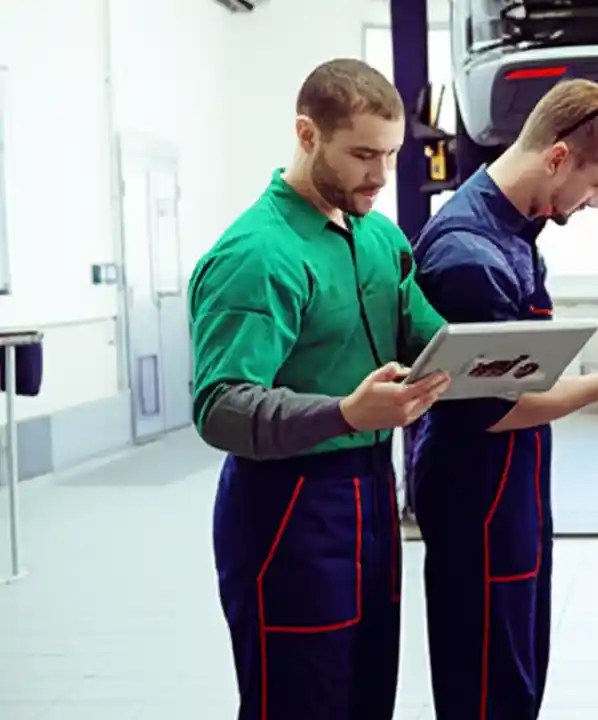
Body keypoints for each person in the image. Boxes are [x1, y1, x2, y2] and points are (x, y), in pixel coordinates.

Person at [189, 58, 452, 720]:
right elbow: (220, 406)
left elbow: (426, 336)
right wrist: (345, 412)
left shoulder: (378, 235)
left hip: (370, 492)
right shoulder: (258, 254)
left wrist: (505, 358)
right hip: (288, 507)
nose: (381, 176)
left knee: (367, 691)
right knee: (300, 698)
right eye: (363, 154)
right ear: (307, 135)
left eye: (390, 154)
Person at [409, 78, 598, 718]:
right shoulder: (469, 257)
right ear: (557, 158)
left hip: (513, 489)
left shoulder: (513, 231)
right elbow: (494, 410)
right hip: (477, 493)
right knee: (487, 680)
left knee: (518, 668)